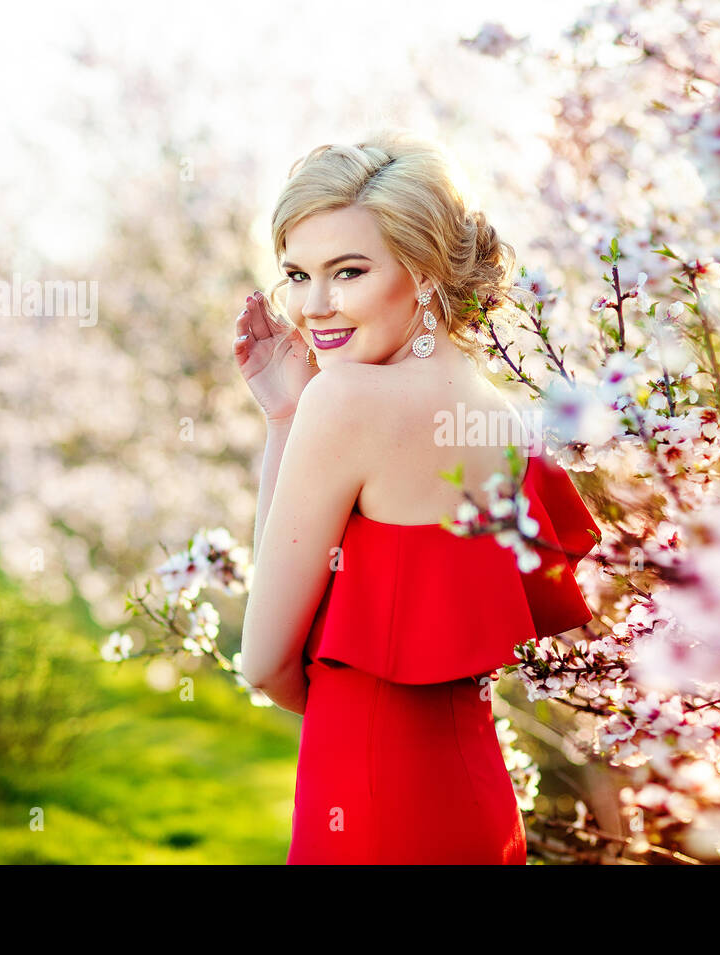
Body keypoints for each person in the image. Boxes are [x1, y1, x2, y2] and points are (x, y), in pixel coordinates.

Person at [233, 130, 601, 864]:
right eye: (298, 275)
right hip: (477, 798)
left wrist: (352, 707)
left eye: (349, 271)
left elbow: (263, 661)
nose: (315, 306)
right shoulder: (504, 416)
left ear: (426, 272)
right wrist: (285, 415)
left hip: (368, 795)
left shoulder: (344, 402)